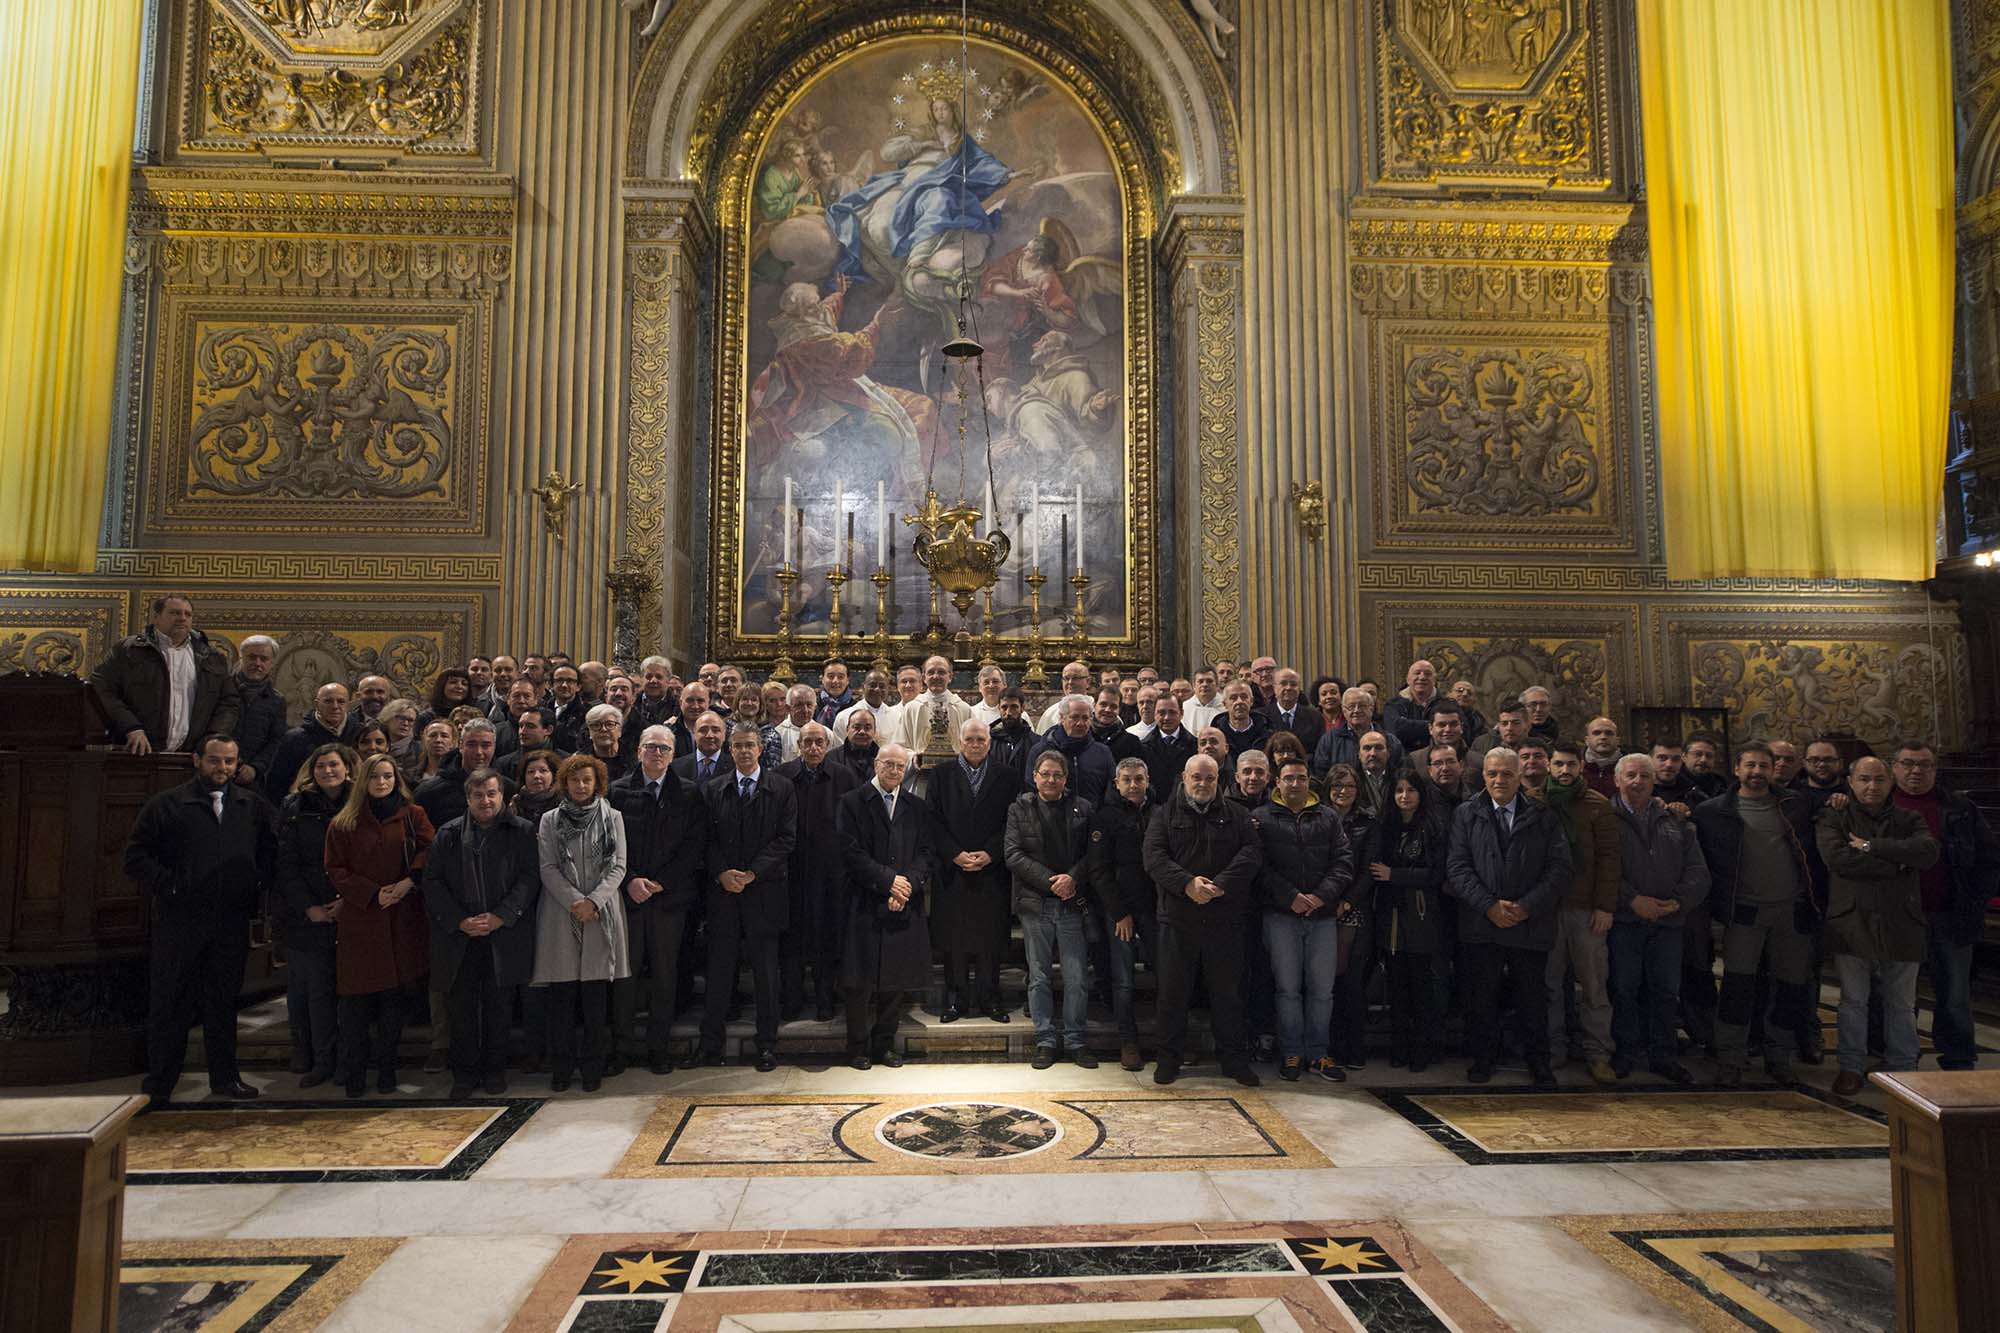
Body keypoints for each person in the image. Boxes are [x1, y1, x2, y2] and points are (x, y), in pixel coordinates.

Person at [124, 733, 273, 1109]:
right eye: (214, 760)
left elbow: (269, 853)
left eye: (229, 761)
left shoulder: (251, 805)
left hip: (230, 921)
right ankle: (160, 1083)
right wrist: (172, 886)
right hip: (180, 922)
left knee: (223, 1002)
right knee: (171, 1003)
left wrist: (254, 886)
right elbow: (136, 857)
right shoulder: (167, 805)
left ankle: (225, 1078)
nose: (222, 768)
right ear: (197, 760)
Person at [1690, 742, 1823, 1086]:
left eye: (1764, 765)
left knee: (1789, 988)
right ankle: (1730, 1058)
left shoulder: (1795, 804)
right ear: (1737, 769)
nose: (1757, 772)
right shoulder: (1712, 811)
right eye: (1750, 765)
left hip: (1791, 911)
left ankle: (1779, 1056)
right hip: (1743, 912)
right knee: (1737, 988)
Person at [1447, 748, 1571, 1087]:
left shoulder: (1543, 815)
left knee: (1532, 999)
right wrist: (1489, 906)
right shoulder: (1466, 814)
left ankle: (1539, 1062)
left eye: (1506, 774)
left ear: (1519, 777)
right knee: (1482, 998)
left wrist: (1526, 906)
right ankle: (1483, 1059)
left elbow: (1559, 868)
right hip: (1482, 923)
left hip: (1529, 923)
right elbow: (1457, 867)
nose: (1499, 780)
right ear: (1483, 776)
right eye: (1492, 774)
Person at [1817, 756, 1939, 1095]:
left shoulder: (1909, 818)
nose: (1872, 786)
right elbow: (1838, 859)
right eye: (1864, 779)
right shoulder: (1835, 816)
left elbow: (1927, 853)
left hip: (1901, 920)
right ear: (1851, 782)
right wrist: (1898, 865)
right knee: (1853, 1000)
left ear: (1891, 782)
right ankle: (1851, 1066)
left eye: (1880, 779)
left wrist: (1872, 846)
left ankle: (1904, 1067)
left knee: (1901, 1002)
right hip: (1852, 919)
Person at [1145, 753, 1265, 1085]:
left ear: (1219, 780)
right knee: (1172, 995)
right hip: (1177, 919)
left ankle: (1233, 1059)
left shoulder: (1237, 815)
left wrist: (1220, 886)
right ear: (1184, 778)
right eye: (1196, 777)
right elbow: (1153, 857)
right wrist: (1188, 884)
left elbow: (1252, 853)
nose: (1203, 783)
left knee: (1228, 995)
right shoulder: (1163, 815)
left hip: (1224, 919)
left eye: (1210, 778)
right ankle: (1168, 1059)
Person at [423, 768, 540, 1097]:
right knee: (461, 1008)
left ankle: (494, 1070)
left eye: (491, 794)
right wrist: (459, 920)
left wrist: (502, 916)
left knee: (498, 1007)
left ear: (502, 795)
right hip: (460, 936)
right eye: (478, 795)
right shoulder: (448, 833)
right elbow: (432, 881)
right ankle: (464, 1074)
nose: (485, 801)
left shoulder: (521, 831)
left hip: (503, 933)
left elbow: (530, 877)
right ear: (467, 798)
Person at [324, 753, 435, 1098]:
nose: (382, 782)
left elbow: (430, 849)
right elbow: (335, 868)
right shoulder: (344, 822)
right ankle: (355, 1072)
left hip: (401, 916)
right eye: (375, 777)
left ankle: (387, 1070)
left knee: (393, 1001)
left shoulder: (412, 815)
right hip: (362, 919)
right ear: (363, 781)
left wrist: (408, 882)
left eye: (387, 776)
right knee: (356, 1004)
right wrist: (372, 893)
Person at [1889, 741, 1999, 1072]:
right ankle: (1898, 1056)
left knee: (1954, 993)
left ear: (1935, 770)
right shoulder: (1880, 804)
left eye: (1925, 765)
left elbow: (1988, 859)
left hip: (1951, 913)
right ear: (1894, 767)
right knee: (1897, 994)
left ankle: (1958, 1058)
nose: (1916, 771)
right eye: (1908, 763)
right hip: (1899, 916)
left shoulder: (1959, 808)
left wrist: (1975, 902)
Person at [692, 725, 796, 1070]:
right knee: (719, 973)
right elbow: (704, 839)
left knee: (766, 975)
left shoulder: (781, 787)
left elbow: (786, 839)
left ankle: (767, 1045)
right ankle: (710, 1045)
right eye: (737, 746)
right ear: (730, 750)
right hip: (724, 895)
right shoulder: (713, 789)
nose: (744, 751)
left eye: (750, 745)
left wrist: (752, 873)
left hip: (764, 892)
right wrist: (722, 872)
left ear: (760, 749)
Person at [606, 726, 704, 1075]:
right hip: (629, 896)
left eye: (664, 748)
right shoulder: (618, 791)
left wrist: (663, 882)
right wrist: (630, 879)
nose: (657, 753)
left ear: (673, 754)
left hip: (669, 899)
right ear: (639, 751)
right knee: (625, 975)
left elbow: (694, 845)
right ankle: (620, 1047)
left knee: (665, 975)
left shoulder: (688, 792)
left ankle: (658, 1048)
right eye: (651, 747)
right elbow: (610, 843)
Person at [531, 753, 630, 1092]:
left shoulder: (613, 817)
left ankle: (592, 1069)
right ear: (565, 783)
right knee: (562, 1000)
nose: (581, 785)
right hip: (562, 913)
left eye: (587, 780)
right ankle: (561, 1068)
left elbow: (618, 866)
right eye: (574, 780)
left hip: (601, 913)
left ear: (597, 782)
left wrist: (594, 901)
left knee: (595, 1001)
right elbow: (547, 867)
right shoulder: (550, 819)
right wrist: (576, 901)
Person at [1608, 753, 1709, 1084]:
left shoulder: (1674, 820)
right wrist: (1632, 900)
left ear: (1654, 782)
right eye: (1631, 775)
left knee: (1665, 990)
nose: (1637, 781)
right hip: (1624, 921)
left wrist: (1676, 902)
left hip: (1668, 922)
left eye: (1644, 776)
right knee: (1624, 988)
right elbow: (1598, 869)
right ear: (1617, 780)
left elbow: (1698, 871)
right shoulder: (1604, 819)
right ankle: (1625, 1052)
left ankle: (1663, 1055)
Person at [837, 743, 936, 1069]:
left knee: (895, 979)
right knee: (859, 982)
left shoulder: (916, 806)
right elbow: (850, 852)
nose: (894, 770)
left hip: (902, 902)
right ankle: (857, 1047)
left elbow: (926, 853)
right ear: (876, 764)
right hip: (863, 900)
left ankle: (884, 1045)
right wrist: (888, 881)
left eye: (899, 766)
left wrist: (906, 885)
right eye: (888, 764)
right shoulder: (852, 802)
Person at [1259, 755, 1354, 1082]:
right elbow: (1259, 867)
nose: (1295, 783)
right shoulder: (1262, 818)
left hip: (1322, 915)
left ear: (1309, 781)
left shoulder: (1328, 817)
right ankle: (1292, 1052)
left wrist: (1320, 896)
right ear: (1278, 782)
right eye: (1289, 778)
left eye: (1301, 778)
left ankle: (1318, 1053)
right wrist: (1291, 897)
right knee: (1287, 989)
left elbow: (1343, 862)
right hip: (1281, 916)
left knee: (1322, 990)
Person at [1537, 739, 1622, 1085]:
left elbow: (1610, 859)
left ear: (1580, 766)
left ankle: (1598, 1052)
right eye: (1559, 764)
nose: (1565, 770)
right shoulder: (1536, 801)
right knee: (1549, 984)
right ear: (1548, 766)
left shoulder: (1597, 805)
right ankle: (1553, 1049)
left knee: (1593, 985)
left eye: (1571, 764)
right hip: (1547, 908)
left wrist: (1605, 905)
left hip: (1586, 909)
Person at [1005, 750, 1097, 1069]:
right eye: (1045, 773)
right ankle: (1045, 1040)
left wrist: (1073, 878)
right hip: (1035, 904)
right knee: (1039, 977)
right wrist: (1051, 881)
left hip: (1072, 904)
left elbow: (1094, 853)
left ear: (1065, 778)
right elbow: (1013, 854)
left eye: (1057, 774)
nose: (1051, 780)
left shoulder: (1083, 808)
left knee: (1076, 978)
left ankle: (1075, 1041)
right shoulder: (1019, 808)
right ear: (1034, 776)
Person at [928, 718, 1021, 1023]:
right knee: (953, 937)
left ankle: (989, 998)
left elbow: (1012, 821)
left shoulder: (1007, 776)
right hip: (952, 869)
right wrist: (954, 854)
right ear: (960, 741)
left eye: (981, 739)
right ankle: (956, 1000)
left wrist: (991, 853)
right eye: (970, 739)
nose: (975, 744)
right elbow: (932, 820)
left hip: (991, 869)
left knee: (989, 938)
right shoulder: (941, 774)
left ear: (989, 743)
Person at [273, 742, 352, 1086]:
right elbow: (286, 863)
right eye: (321, 766)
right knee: (311, 990)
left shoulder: (360, 802)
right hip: (306, 912)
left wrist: (348, 899)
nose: (328, 771)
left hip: (349, 908)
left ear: (347, 768)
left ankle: (345, 1058)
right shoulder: (295, 806)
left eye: (334, 765)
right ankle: (316, 1058)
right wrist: (309, 907)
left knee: (347, 991)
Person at [1369, 772, 1451, 1073]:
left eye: (1411, 790)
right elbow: (1374, 869)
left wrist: (1396, 875)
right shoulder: (1385, 827)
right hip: (1390, 915)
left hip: (1421, 915)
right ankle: (1400, 1047)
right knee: (1397, 987)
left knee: (1421, 987)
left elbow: (1436, 874)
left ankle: (1422, 1048)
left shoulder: (1432, 827)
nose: (1405, 796)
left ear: (1421, 794)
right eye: (1399, 791)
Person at [775, 721, 857, 1021]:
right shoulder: (782, 775)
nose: (812, 748)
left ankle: (825, 999)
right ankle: (792, 999)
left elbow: (853, 824)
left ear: (827, 745)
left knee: (827, 937)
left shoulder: (844, 777)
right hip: (791, 871)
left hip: (830, 872)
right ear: (798, 746)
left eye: (818, 742)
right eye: (807, 742)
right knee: (791, 940)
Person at [91, 594, 241, 755]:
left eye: (187, 614)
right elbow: (102, 689)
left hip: (191, 756)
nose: (182, 618)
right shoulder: (129, 650)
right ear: (156, 618)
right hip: (136, 752)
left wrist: (212, 739)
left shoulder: (212, 657)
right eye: (175, 613)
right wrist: (130, 727)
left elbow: (229, 703)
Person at [1089, 756, 1158, 1070]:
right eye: (1127, 780)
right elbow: (1099, 870)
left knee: (1168, 975)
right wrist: (1119, 913)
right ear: (1116, 783)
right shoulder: (1105, 817)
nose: (1133, 785)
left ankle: (1169, 1041)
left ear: (1147, 781)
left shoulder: (1160, 813)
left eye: (1138, 779)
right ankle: (1128, 1042)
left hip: (1156, 910)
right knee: (1124, 981)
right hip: (1120, 912)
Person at [268, 682, 351, 800]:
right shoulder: (295, 739)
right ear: (317, 704)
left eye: (341, 701)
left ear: (348, 705)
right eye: (328, 701)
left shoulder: (360, 735)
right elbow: (276, 784)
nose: (335, 706)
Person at [1028, 695, 1115, 806]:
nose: (1080, 723)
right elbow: (1031, 788)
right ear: (1062, 717)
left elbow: (1111, 791)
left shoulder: (1102, 752)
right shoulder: (1041, 750)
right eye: (1074, 717)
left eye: (1085, 718)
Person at [891, 654, 974, 760]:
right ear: (924, 678)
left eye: (941, 672)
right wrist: (915, 757)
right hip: (920, 769)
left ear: (950, 677)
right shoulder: (912, 708)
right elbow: (899, 747)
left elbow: (973, 746)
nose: (936, 676)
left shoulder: (963, 709)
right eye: (931, 672)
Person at [229, 635, 286, 789]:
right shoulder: (222, 689)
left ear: (271, 663)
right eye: (252, 657)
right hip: (219, 768)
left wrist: (255, 767)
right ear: (241, 658)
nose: (257, 663)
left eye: (264, 659)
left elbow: (276, 740)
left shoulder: (277, 701)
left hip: (253, 778)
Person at [1314, 687, 1404, 778]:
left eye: (1362, 706)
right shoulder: (1329, 741)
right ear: (1344, 711)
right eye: (1351, 706)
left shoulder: (1390, 740)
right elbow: (1321, 774)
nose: (1356, 710)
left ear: (1371, 709)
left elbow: (1399, 772)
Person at [1141, 692, 1197, 804]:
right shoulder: (1143, 747)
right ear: (1155, 714)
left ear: (1181, 713)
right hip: (1154, 807)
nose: (1167, 718)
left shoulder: (1195, 745)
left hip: (1185, 805)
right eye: (1161, 713)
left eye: (1172, 712)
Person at [1383, 659, 1442, 751]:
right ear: (1408, 679)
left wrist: (1407, 725)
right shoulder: (1393, 705)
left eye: (1427, 674)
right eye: (1417, 673)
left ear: (1434, 680)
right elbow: (1394, 730)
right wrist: (1434, 726)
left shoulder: (1446, 704)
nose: (1422, 677)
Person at [1261, 668, 1323, 755]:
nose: (1288, 688)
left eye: (1293, 684)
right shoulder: (1261, 716)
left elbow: (1319, 750)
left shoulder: (1315, 717)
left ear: (1299, 689)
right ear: (1274, 687)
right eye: (1283, 683)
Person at [672, 710, 729, 787]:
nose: (709, 735)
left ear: (724, 735)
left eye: (715, 730)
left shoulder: (734, 767)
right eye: (703, 730)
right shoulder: (676, 767)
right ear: (694, 734)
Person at [832, 706, 882, 785]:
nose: (862, 732)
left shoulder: (884, 760)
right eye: (856, 727)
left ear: (874, 731)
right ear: (847, 729)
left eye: (867, 728)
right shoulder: (832, 758)